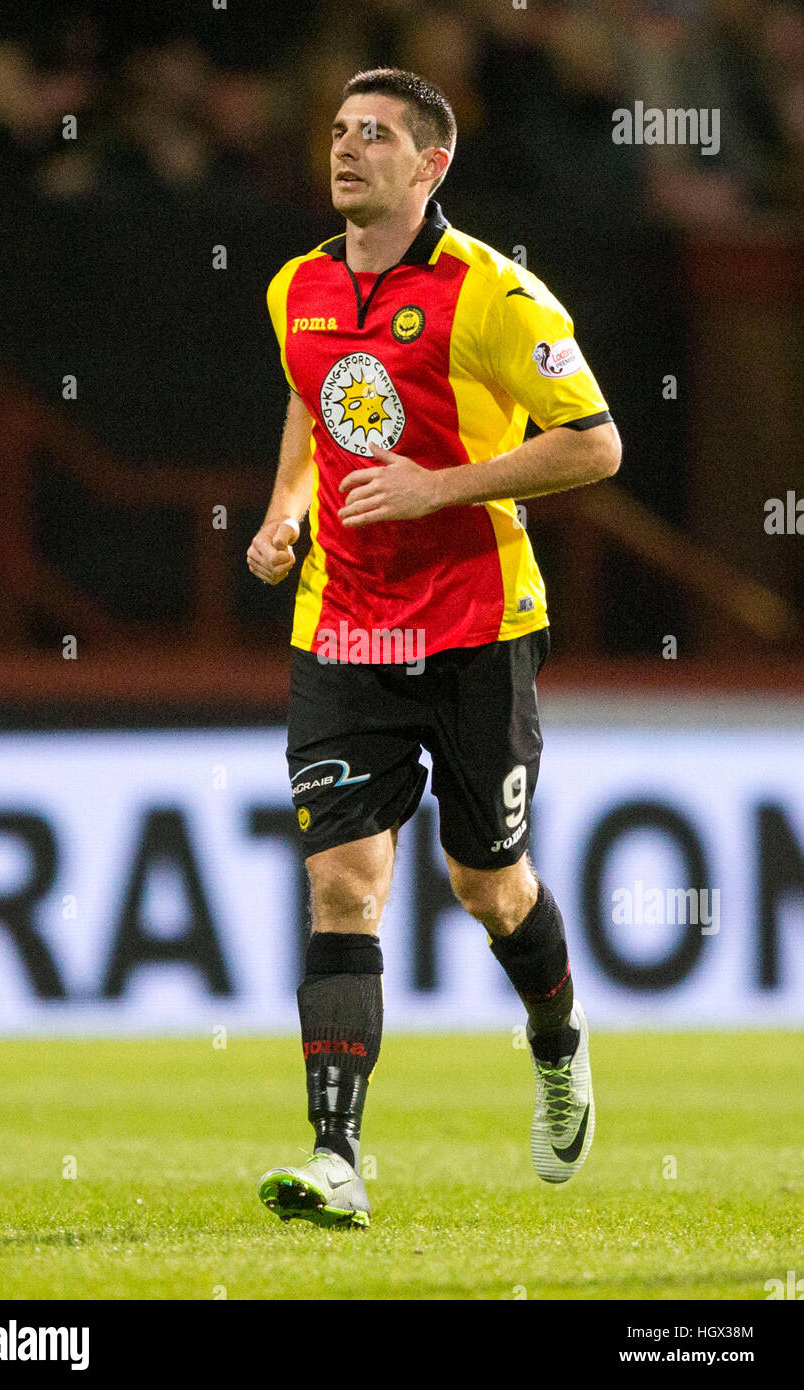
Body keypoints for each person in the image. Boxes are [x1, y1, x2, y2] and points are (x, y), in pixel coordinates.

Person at [246, 67, 620, 1228]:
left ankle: (555, 1045)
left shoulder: (495, 297)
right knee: (343, 887)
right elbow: (312, 400)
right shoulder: (294, 286)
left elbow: (594, 444)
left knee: (487, 887)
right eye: (340, 128)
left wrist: (436, 490)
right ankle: (335, 1158)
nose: (348, 148)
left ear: (431, 165)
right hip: (342, 630)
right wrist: (286, 508)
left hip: (475, 630)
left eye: (377, 135)